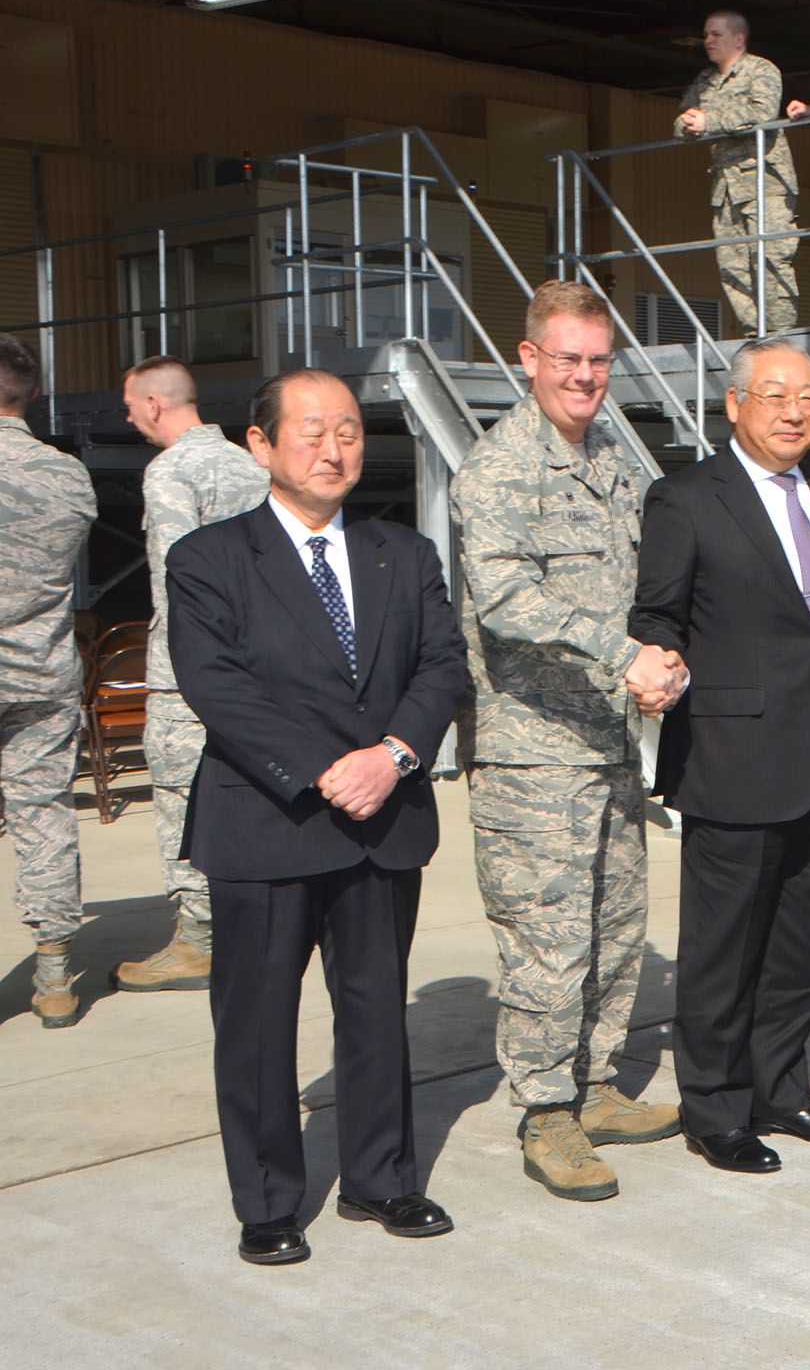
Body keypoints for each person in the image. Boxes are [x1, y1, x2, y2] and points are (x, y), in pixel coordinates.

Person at [165, 369, 470, 1265]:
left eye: (348, 428)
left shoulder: (403, 553)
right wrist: (325, 769)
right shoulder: (210, 559)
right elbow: (215, 684)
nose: (334, 447)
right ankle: (268, 1201)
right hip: (268, 820)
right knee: (258, 1023)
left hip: (382, 821)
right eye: (310, 429)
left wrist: (395, 757)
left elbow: (442, 667)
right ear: (260, 446)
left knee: (376, 1010)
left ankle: (383, 1179)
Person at [451, 282, 687, 1202]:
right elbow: (506, 603)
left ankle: (593, 1083)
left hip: (609, 740)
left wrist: (662, 668)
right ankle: (545, 1112)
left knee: (615, 924)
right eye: (567, 359)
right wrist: (626, 654)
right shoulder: (501, 468)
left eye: (597, 360)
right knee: (547, 942)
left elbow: (636, 588)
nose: (584, 376)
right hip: (531, 751)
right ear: (529, 359)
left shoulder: (609, 461)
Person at [628, 336, 810, 1175]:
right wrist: (656, 662)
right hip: (732, 755)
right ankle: (716, 1108)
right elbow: (658, 611)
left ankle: (782, 1091)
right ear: (734, 404)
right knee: (724, 946)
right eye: (774, 395)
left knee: (797, 940)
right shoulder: (686, 498)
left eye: (808, 396)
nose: (795, 410)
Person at [111, 356, 268, 995]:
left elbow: (179, 579)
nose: (127, 417)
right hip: (255, 662)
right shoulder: (246, 462)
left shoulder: (171, 470)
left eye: (129, 404)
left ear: (153, 404)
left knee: (182, 797)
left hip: (188, 671)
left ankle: (199, 937)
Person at [0, 331, 97, 1028]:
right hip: (42, 670)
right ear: (31, 393)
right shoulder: (69, 476)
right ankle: (56, 974)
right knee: (44, 813)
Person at [677, 9, 798, 335]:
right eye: (706, 34)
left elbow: (762, 111)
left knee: (770, 258)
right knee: (733, 264)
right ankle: (753, 333)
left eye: (716, 34)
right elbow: (681, 121)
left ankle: (781, 334)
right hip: (726, 185)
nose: (708, 41)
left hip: (764, 181)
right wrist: (690, 126)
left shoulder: (761, 70)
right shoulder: (705, 81)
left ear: (738, 39)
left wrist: (710, 121)